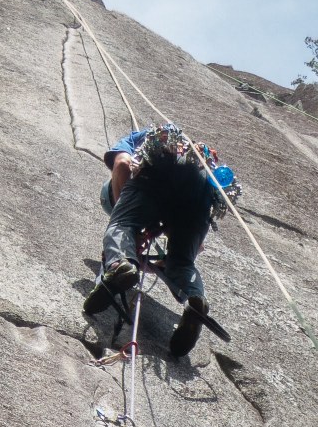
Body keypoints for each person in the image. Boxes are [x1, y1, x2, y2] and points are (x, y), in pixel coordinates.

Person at [83, 125, 238, 357]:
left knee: (120, 225)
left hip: (158, 173)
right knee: (183, 262)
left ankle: (120, 266)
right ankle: (195, 300)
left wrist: (129, 236)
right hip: (201, 193)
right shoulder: (193, 153)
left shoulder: (138, 139)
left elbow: (122, 165)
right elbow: (187, 228)